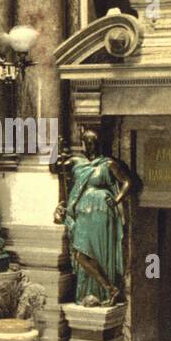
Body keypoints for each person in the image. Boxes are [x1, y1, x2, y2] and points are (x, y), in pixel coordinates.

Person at [54, 129, 136, 306]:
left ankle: (105, 292)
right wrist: (58, 151)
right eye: (88, 142)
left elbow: (128, 182)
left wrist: (116, 200)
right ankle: (106, 289)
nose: (92, 145)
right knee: (80, 253)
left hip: (102, 212)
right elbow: (58, 169)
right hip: (82, 211)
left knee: (98, 251)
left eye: (94, 141)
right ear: (83, 143)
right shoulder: (77, 162)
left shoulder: (108, 164)